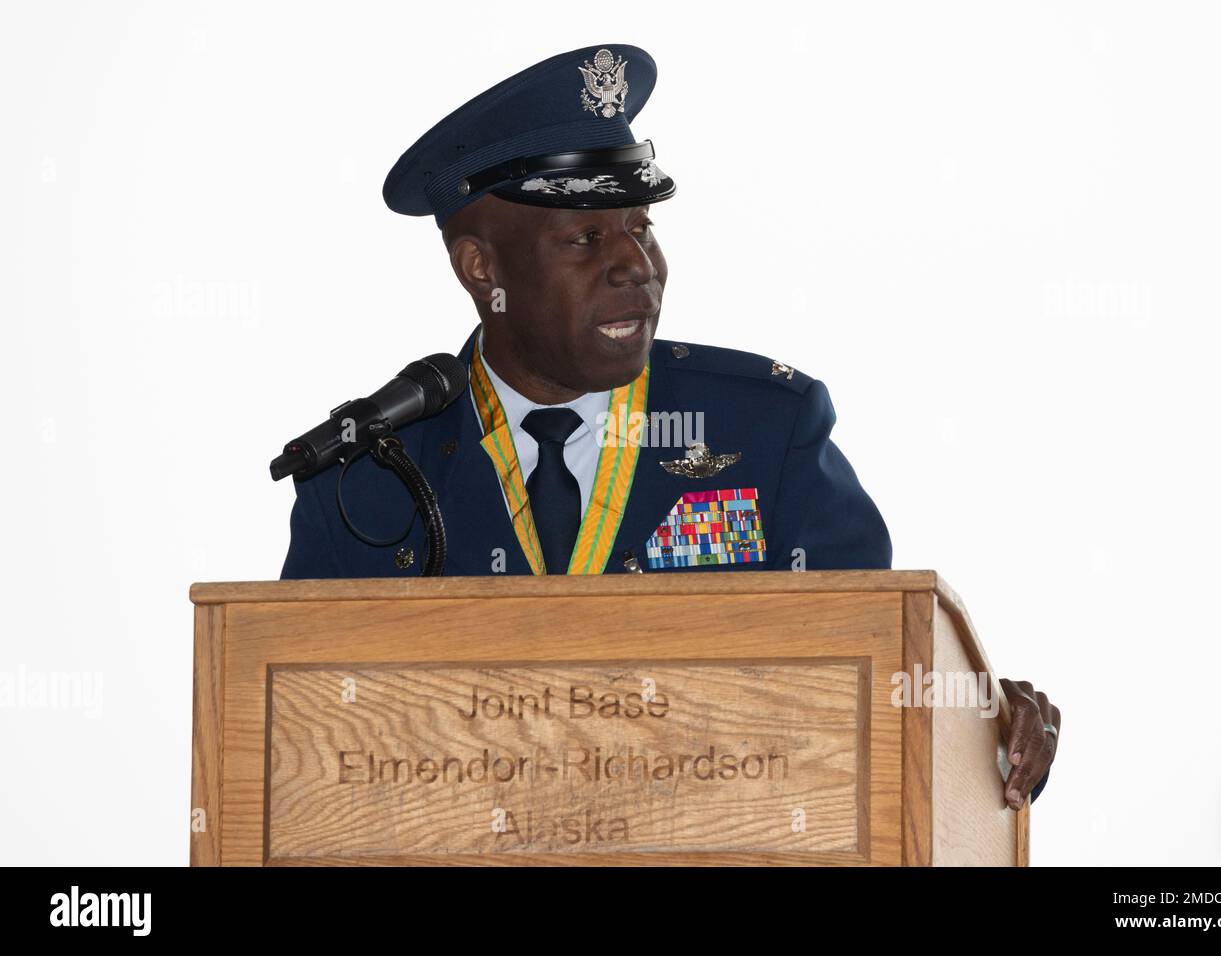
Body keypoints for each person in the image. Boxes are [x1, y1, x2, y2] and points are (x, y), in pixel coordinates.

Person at [279, 44, 1058, 807]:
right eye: (585, 240)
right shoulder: (368, 476)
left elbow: (877, 669)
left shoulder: (766, 428)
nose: (636, 264)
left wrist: (975, 713)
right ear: (480, 269)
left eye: (640, 227)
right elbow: (296, 746)